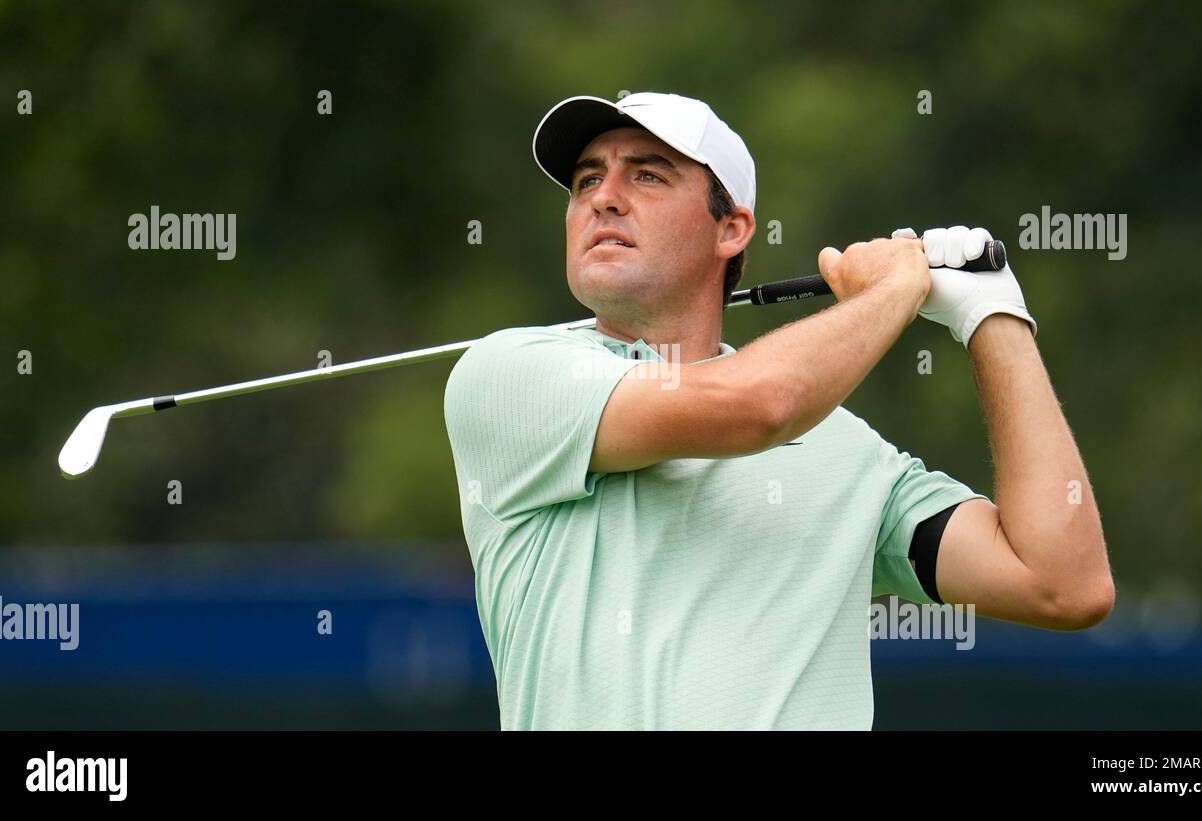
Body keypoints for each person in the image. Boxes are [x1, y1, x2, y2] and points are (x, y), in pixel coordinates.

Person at [443, 91, 1114, 730]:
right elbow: (759, 405)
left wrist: (993, 315)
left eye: (647, 176)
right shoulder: (508, 376)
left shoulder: (848, 453)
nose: (604, 199)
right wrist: (891, 293)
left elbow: (1063, 584)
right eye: (587, 181)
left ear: (730, 227)